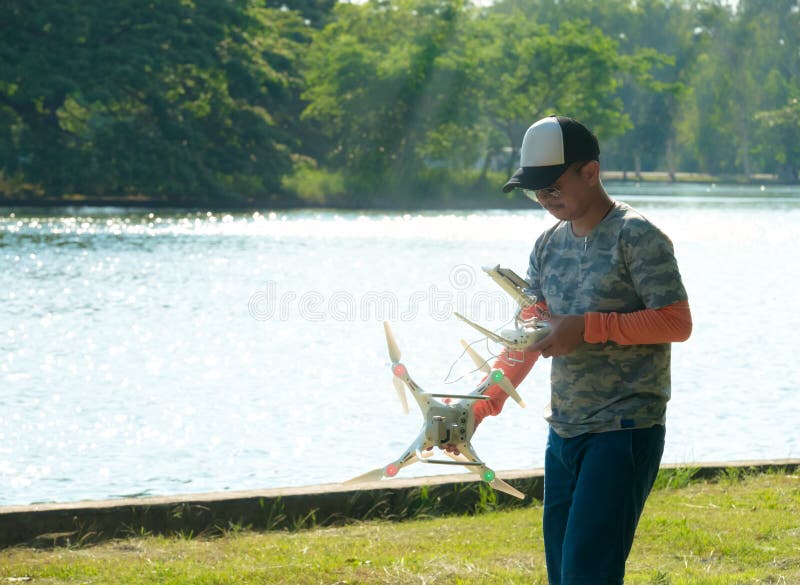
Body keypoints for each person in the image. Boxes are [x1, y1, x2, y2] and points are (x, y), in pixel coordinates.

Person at [471, 115, 693, 585]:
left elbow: (677, 322)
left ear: (589, 173)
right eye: (536, 192)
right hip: (565, 433)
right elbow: (530, 337)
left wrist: (589, 327)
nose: (546, 201)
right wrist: (480, 404)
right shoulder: (547, 245)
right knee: (564, 574)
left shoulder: (637, 235)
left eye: (553, 187)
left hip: (624, 430)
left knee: (588, 575)